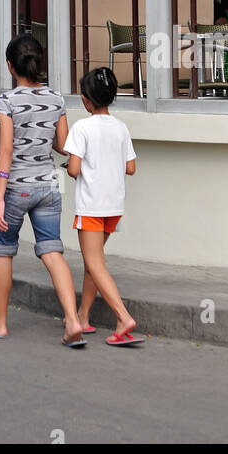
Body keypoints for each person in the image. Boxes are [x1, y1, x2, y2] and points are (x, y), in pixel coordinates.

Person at [0, 34, 84, 345]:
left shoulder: (7, 101)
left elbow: (5, 150)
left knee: (3, 249)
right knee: (51, 249)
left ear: (11, 67)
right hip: (48, 186)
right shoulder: (57, 99)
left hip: (17, 188)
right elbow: (63, 146)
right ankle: (73, 320)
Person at [64, 65, 144, 347]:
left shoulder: (81, 128)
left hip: (91, 205)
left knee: (94, 263)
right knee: (93, 262)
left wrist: (74, 166)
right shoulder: (120, 127)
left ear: (86, 99)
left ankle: (123, 317)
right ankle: (83, 317)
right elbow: (130, 167)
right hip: (114, 206)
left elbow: (73, 170)